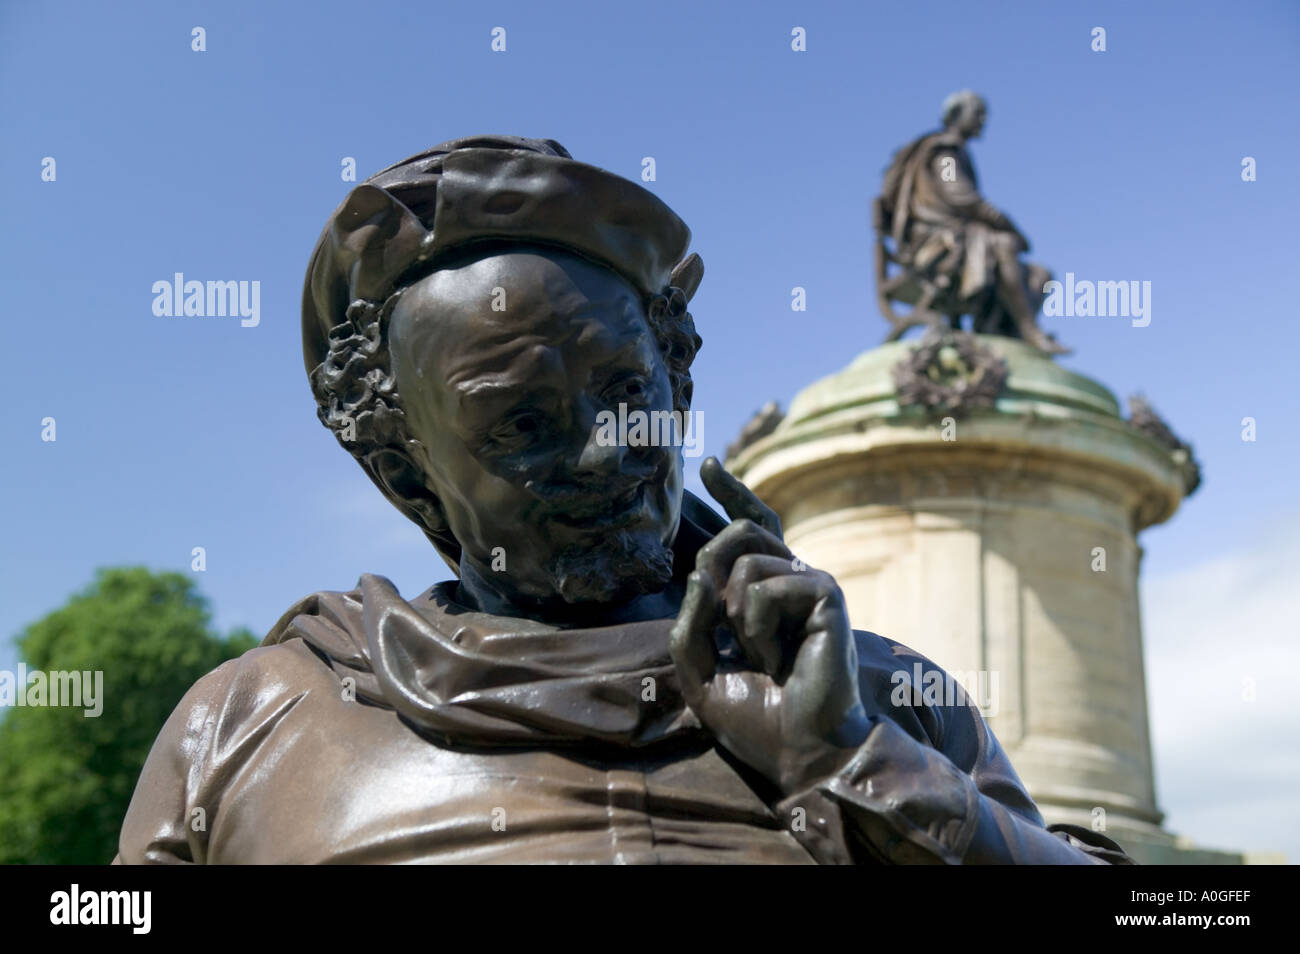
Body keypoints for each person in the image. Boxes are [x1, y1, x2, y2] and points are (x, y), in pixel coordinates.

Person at [115, 136, 1128, 864]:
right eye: (521, 425)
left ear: (677, 383)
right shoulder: (248, 725)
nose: (608, 454)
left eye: (627, 394)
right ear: (406, 474)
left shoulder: (880, 699)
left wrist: (854, 762)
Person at [880, 91, 1067, 354]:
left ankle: (1003, 333)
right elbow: (960, 196)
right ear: (956, 116)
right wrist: (1007, 225)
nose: (983, 119)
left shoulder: (956, 152)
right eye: (977, 113)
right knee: (1004, 245)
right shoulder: (944, 153)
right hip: (937, 245)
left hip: (960, 241)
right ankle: (1030, 331)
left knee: (1040, 276)